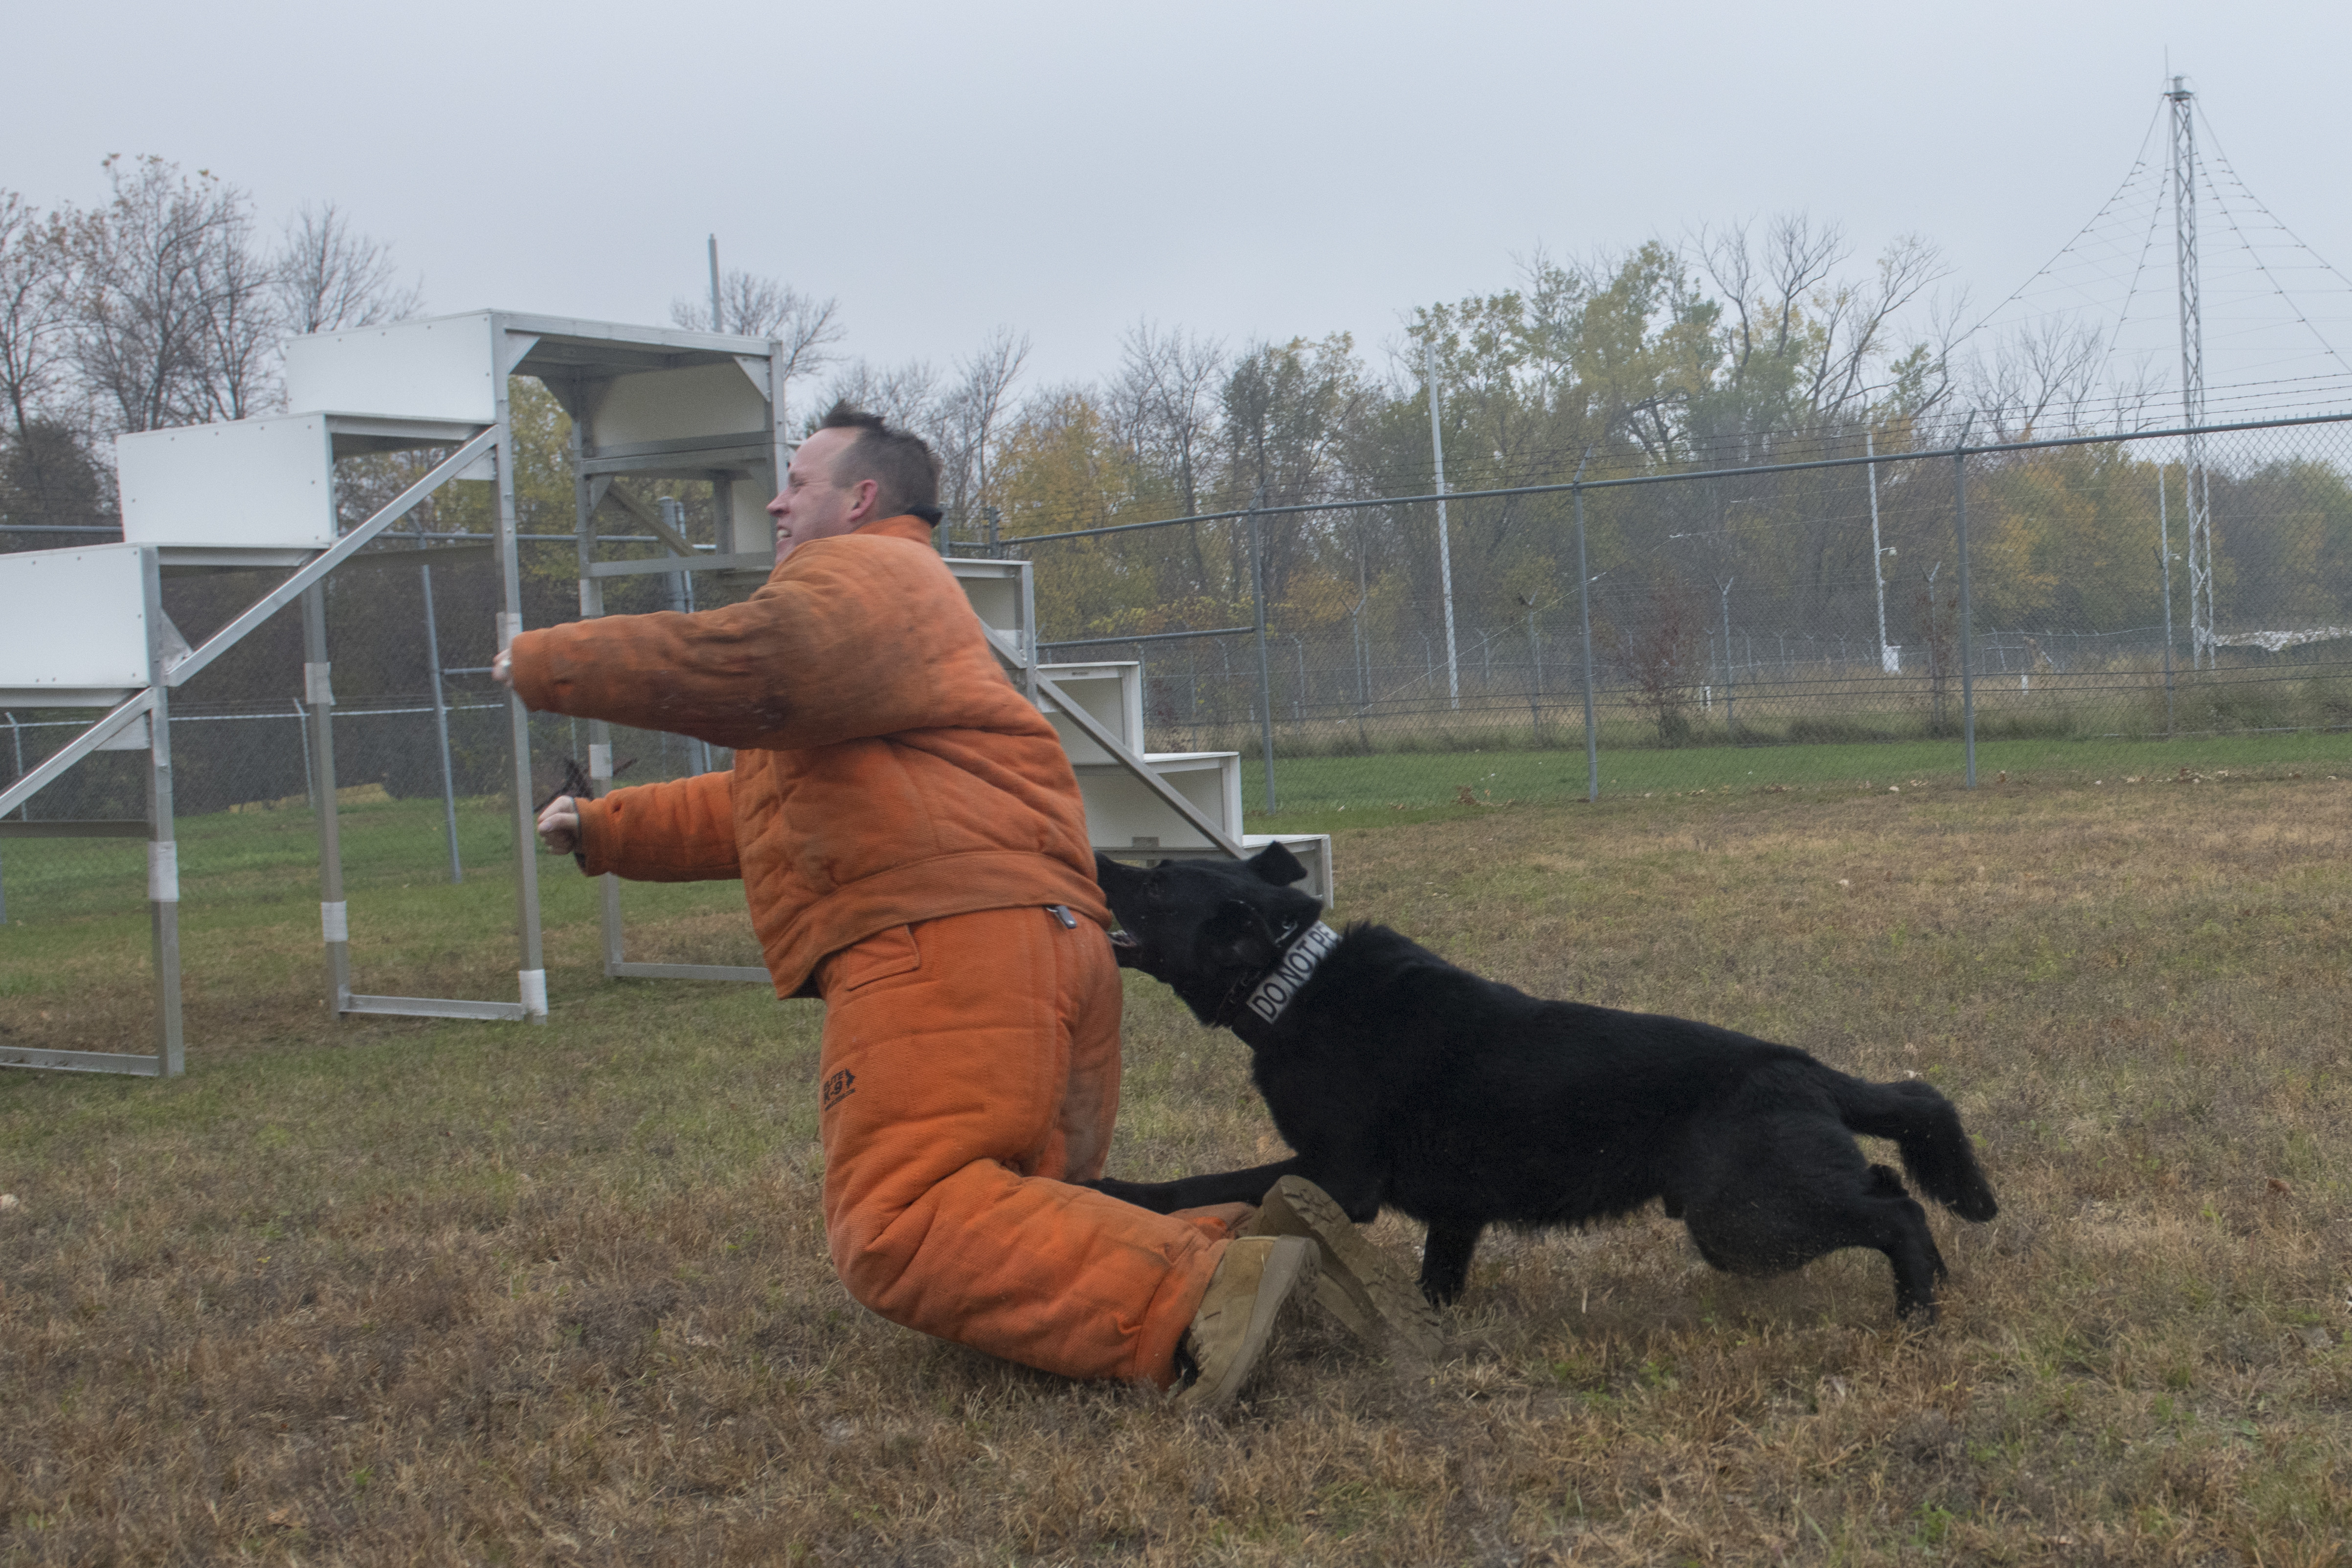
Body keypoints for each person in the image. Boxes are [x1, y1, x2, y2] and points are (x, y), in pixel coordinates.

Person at [491, 403, 1433, 1406]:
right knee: (1018, 1210)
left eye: (797, 481)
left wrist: (551, 660)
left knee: (901, 1220)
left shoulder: (861, 575)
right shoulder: (899, 622)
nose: (775, 499)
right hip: (1045, 948)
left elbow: (751, 661)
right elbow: (766, 808)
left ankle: (1199, 1289)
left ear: (860, 499)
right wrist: (605, 829)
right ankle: (1259, 1242)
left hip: (942, 954)